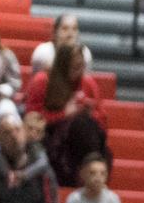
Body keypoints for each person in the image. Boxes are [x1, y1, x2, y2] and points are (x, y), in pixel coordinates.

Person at [24, 44, 108, 188]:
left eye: (80, 66)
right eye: (73, 66)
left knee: (87, 128)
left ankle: (91, 176)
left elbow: (103, 121)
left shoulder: (88, 83)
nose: (77, 71)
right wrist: (65, 114)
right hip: (53, 139)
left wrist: (90, 113)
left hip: (85, 139)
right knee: (80, 126)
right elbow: (32, 119)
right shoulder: (43, 81)